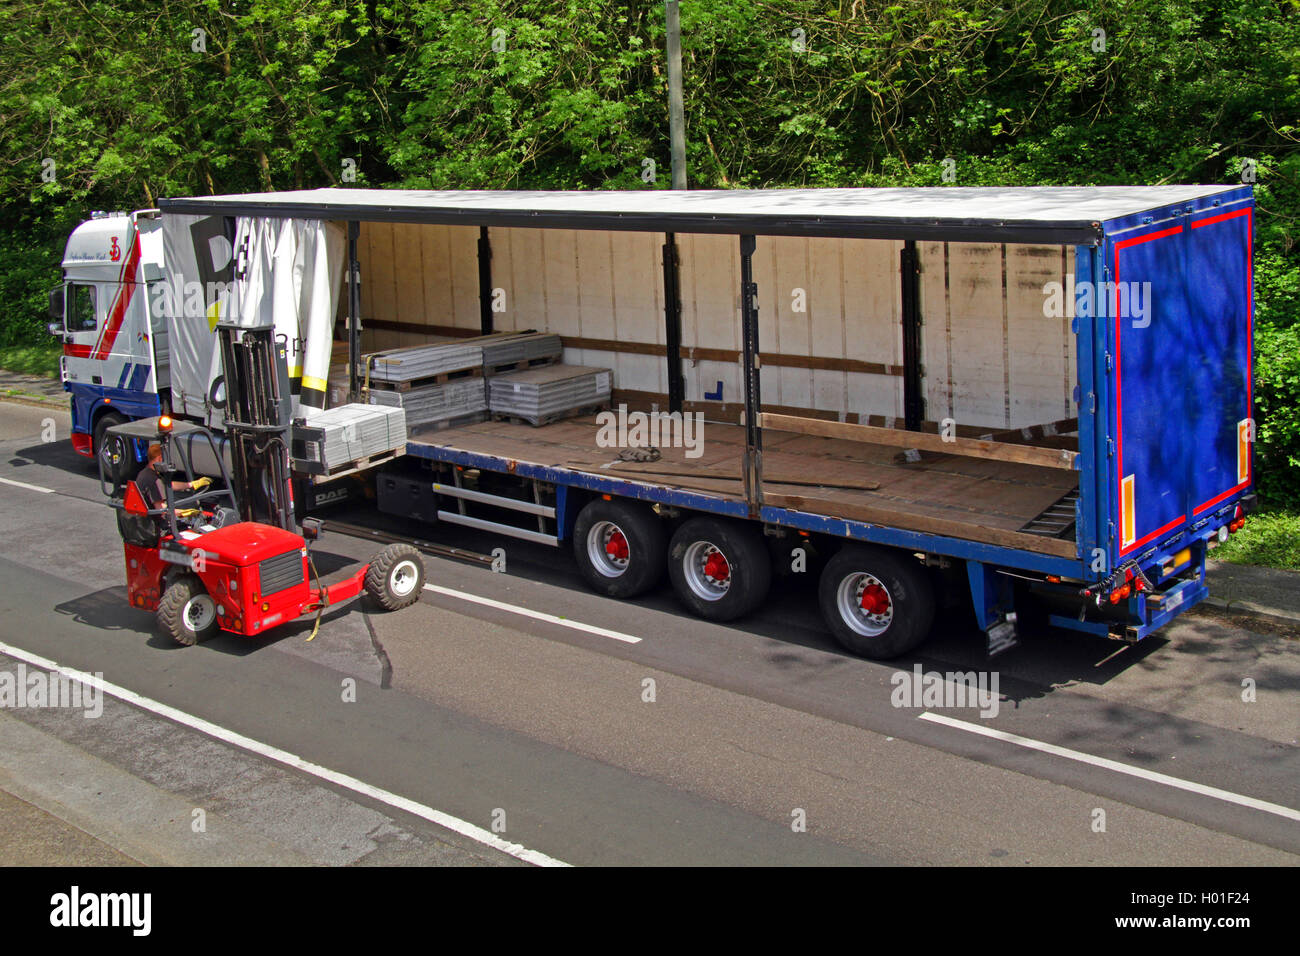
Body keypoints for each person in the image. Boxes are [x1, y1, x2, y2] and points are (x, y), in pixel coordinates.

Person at [134, 444, 210, 512]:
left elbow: (168, 485)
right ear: (160, 458)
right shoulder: (154, 480)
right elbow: (161, 509)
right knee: (186, 504)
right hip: (155, 521)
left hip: (145, 515)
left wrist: (191, 484)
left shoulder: (144, 473)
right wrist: (184, 513)